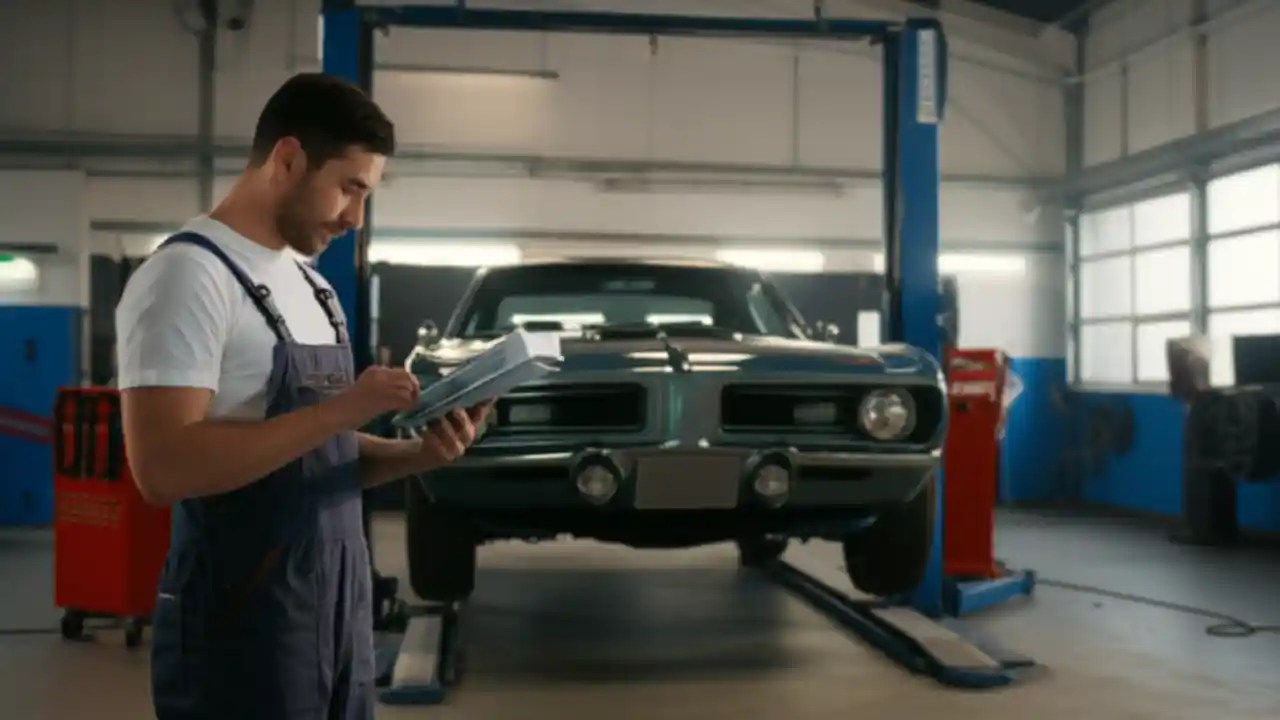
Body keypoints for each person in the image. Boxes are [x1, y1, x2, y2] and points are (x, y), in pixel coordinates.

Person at [114, 72, 489, 719]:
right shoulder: (188, 277)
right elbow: (163, 468)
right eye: (349, 188)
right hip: (242, 623)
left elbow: (321, 453)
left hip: (338, 611)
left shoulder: (311, 289)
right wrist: (346, 407)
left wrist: (420, 456)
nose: (355, 218)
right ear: (287, 159)